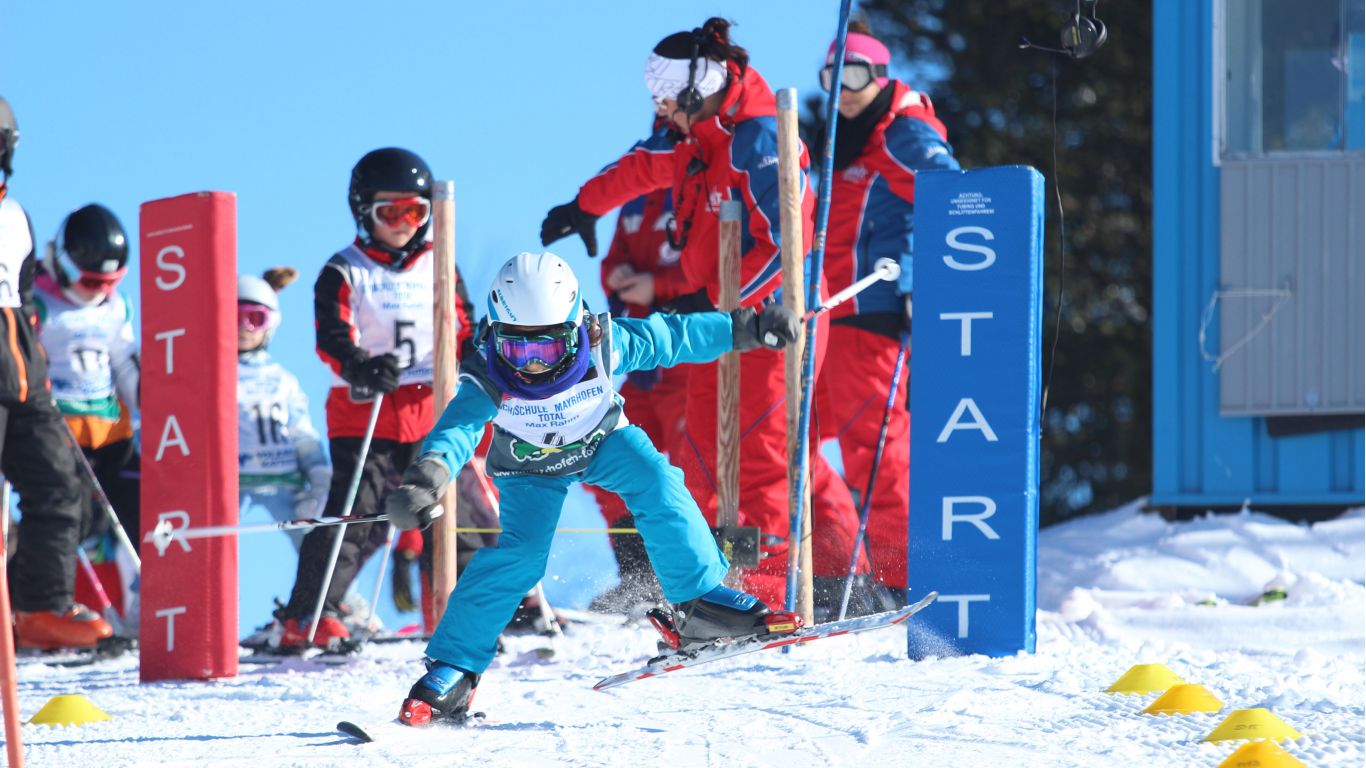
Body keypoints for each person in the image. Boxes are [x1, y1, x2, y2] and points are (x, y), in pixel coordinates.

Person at [382, 251, 804, 726]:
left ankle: (700, 602)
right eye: (520, 351)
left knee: (658, 482)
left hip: (603, 441)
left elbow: (673, 336)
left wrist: (745, 327)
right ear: (496, 335)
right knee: (520, 557)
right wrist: (426, 481)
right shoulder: (486, 375)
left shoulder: (605, 343)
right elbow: (455, 433)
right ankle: (454, 667)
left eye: (546, 349)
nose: (534, 367)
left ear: (575, 327)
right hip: (529, 467)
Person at [540, 18, 865, 609]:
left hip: (768, 329)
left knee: (758, 462)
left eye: (666, 99)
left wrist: (738, 310)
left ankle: (767, 593)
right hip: (718, 327)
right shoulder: (700, 138)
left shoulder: (758, 141)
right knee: (701, 464)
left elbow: (787, 246)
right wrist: (584, 207)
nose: (660, 112)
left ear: (695, 90)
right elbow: (641, 165)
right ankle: (714, 593)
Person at [267, 147, 476, 651]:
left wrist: (476, 357)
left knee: (456, 509)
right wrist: (360, 363)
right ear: (364, 213)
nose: (404, 224)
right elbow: (332, 337)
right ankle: (310, 614)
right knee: (358, 518)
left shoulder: (439, 262)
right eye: (390, 213)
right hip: (367, 414)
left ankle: (469, 611)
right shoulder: (345, 270)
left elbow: (463, 324)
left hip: (431, 409)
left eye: (415, 212)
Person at [812, 23, 959, 598]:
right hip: (826, 316)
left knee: (875, 451)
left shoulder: (899, 131)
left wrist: (919, 279)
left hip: (869, 314)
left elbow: (951, 193)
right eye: (832, 77)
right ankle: (835, 571)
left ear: (879, 76)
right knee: (788, 436)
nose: (842, 90)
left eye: (853, 76)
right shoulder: (841, 138)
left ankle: (901, 579)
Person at [0, 96, 113, 649]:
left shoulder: (15, 216)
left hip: (23, 375)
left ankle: (40, 609)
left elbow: (20, 298)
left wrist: (37, 368)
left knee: (62, 487)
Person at [583, 114, 689, 613]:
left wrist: (659, 289)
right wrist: (620, 278)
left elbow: (713, 271)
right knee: (611, 459)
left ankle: (699, 580)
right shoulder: (635, 200)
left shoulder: (697, 188)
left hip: (692, 358)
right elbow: (614, 262)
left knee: (691, 469)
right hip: (641, 359)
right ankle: (638, 579)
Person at [33, 204, 141, 549]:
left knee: (143, 511)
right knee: (74, 520)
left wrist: (149, 399)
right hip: (61, 432)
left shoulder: (116, 307)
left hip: (112, 432)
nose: (100, 291)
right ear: (65, 265)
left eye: (111, 283)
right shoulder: (37, 303)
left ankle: (161, 594)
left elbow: (124, 362)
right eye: (92, 282)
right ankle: (39, 597)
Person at [235, 268, 330, 552]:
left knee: (313, 542)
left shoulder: (282, 380)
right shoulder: (213, 376)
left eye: (255, 319)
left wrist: (320, 478)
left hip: (283, 478)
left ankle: (334, 593)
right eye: (234, 318)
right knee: (213, 544)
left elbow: (301, 432)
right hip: (234, 482)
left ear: (271, 324)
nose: (243, 328)